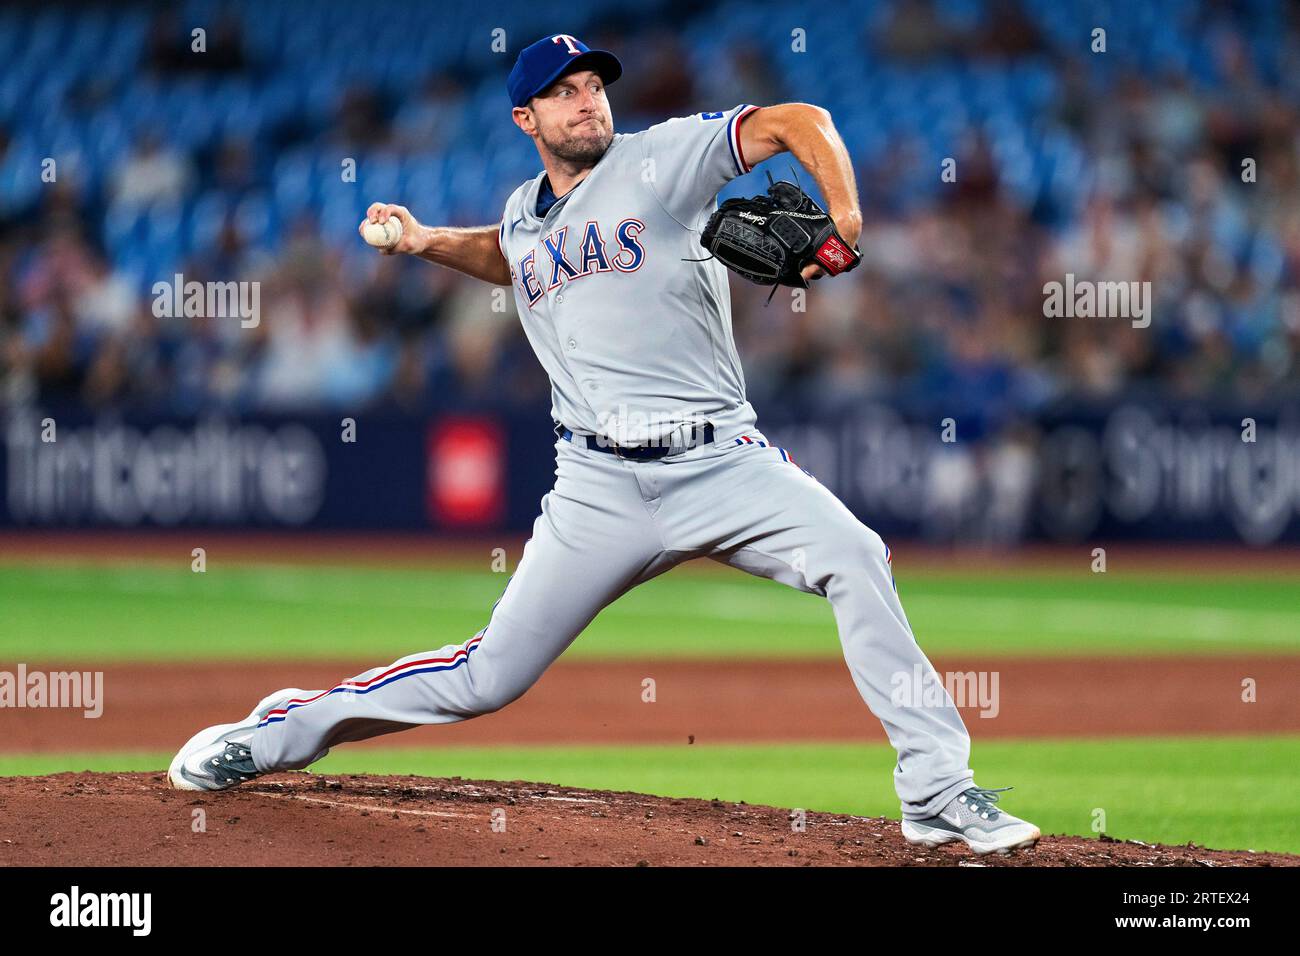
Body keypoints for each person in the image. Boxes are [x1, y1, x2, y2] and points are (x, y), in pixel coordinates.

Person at [169, 33, 1040, 856]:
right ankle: (280, 730)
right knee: (488, 677)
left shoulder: (661, 158)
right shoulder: (522, 212)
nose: (587, 102)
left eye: (593, 87)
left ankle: (935, 791)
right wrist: (429, 240)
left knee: (855, 555)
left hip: (721, 462)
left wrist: (843, 220)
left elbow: (797, 121)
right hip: (596, 488)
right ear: (527, 121)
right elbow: (516, 256)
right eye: (563, 93)